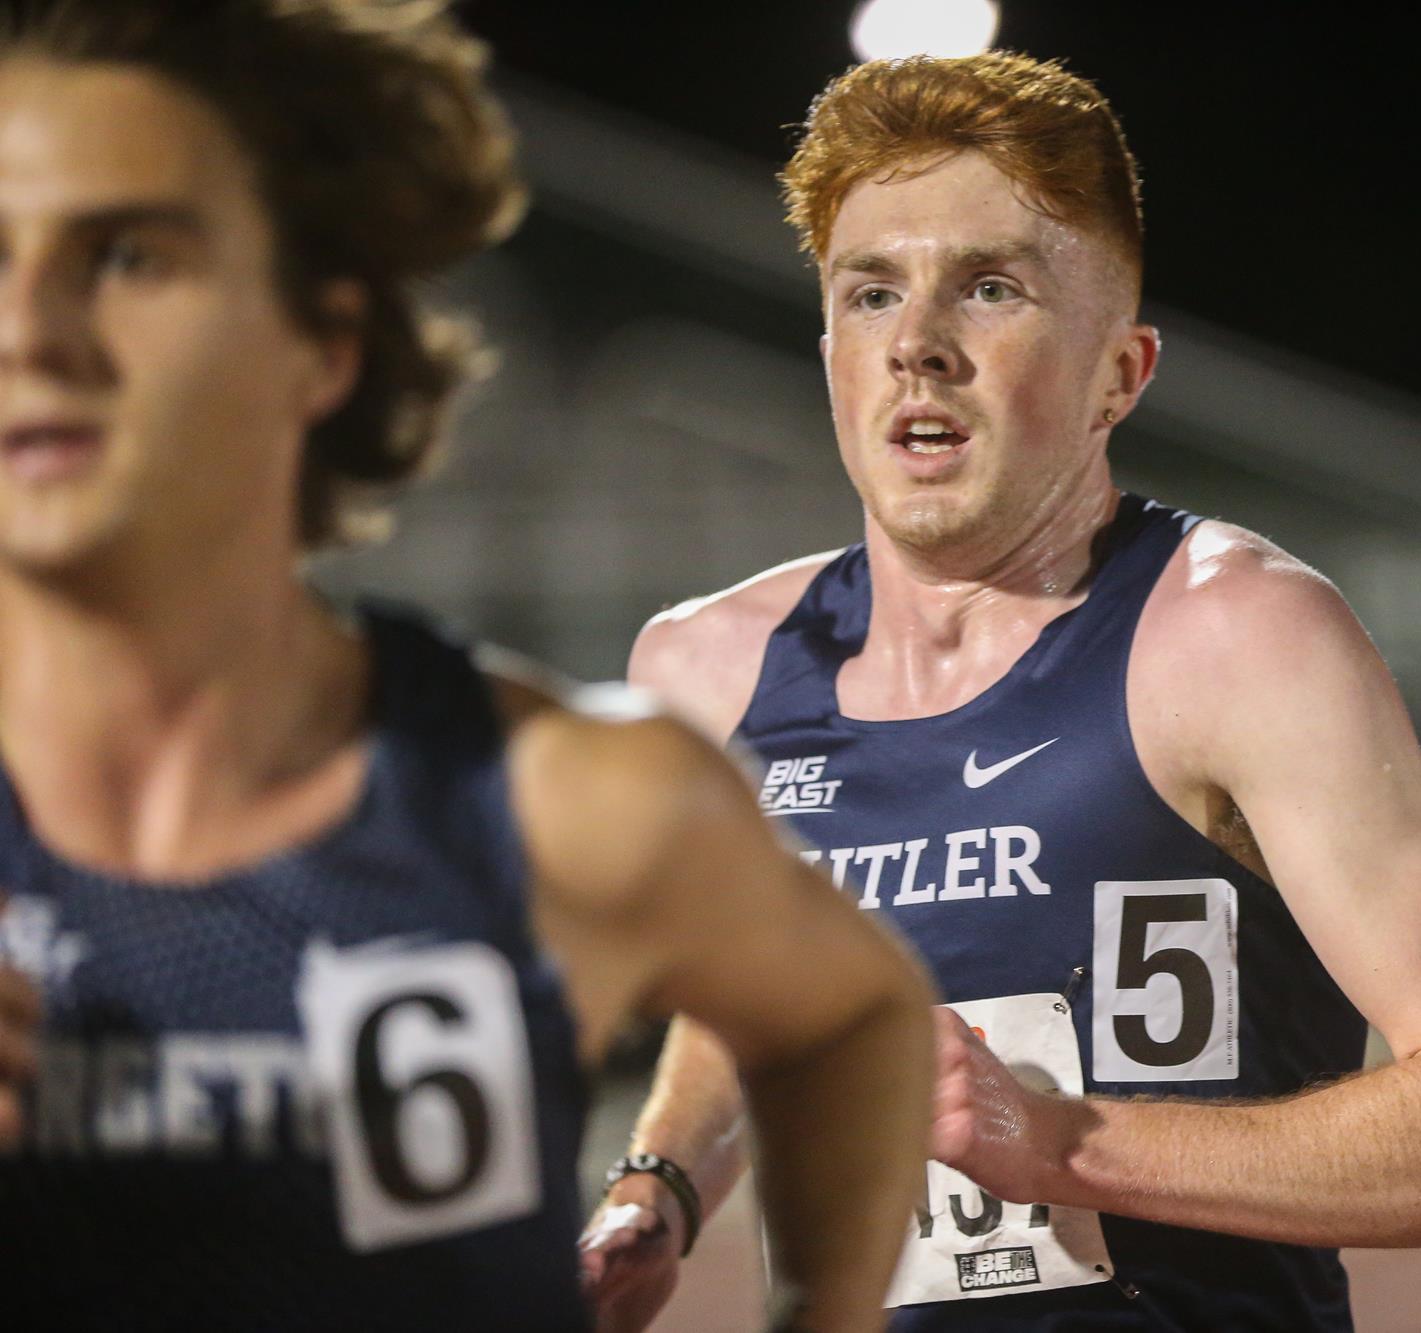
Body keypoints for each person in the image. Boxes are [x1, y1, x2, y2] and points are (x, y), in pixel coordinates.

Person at [583, 51, 1421, 1331]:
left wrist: (1057, 1141)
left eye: (987, 288)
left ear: (1122, 373)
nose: (918, 349)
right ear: (828, 346)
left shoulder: (1236, 639)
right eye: (872, 293)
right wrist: (655, 1187)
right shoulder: (704, 673)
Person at [0, 4, 934, 1330]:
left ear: (319, 345)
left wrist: (821, 1301)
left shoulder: (561, 804)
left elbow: (849, 1016)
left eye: (128, 255)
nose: (28, 328)